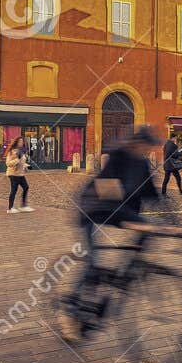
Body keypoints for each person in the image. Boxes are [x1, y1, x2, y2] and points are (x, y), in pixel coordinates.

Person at [60, 126, 162, 342]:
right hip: (92, 208)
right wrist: (131, 221)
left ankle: (127, 270)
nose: (147, 149)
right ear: (136, 143)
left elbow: (156, 196)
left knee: (148, 230)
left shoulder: (142, 163)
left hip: (120, 210)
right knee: (93, 261)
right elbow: (107, 190)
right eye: (146, 145)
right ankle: (70, 311)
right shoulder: (118, 156)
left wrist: (177, 225)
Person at [5, 139, 33, 212]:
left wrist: (27, 166)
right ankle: (10, 208)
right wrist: (17, 159)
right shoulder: (11, 152)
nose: (22, 142)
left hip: (20, 174)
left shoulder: (21, 151)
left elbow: (22, 162)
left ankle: (23, 206)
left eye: (22, 141)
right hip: (13, 174)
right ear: (16, 142)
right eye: (20, 141)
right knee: (14, 190)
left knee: (26, 187)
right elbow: (8, 163)